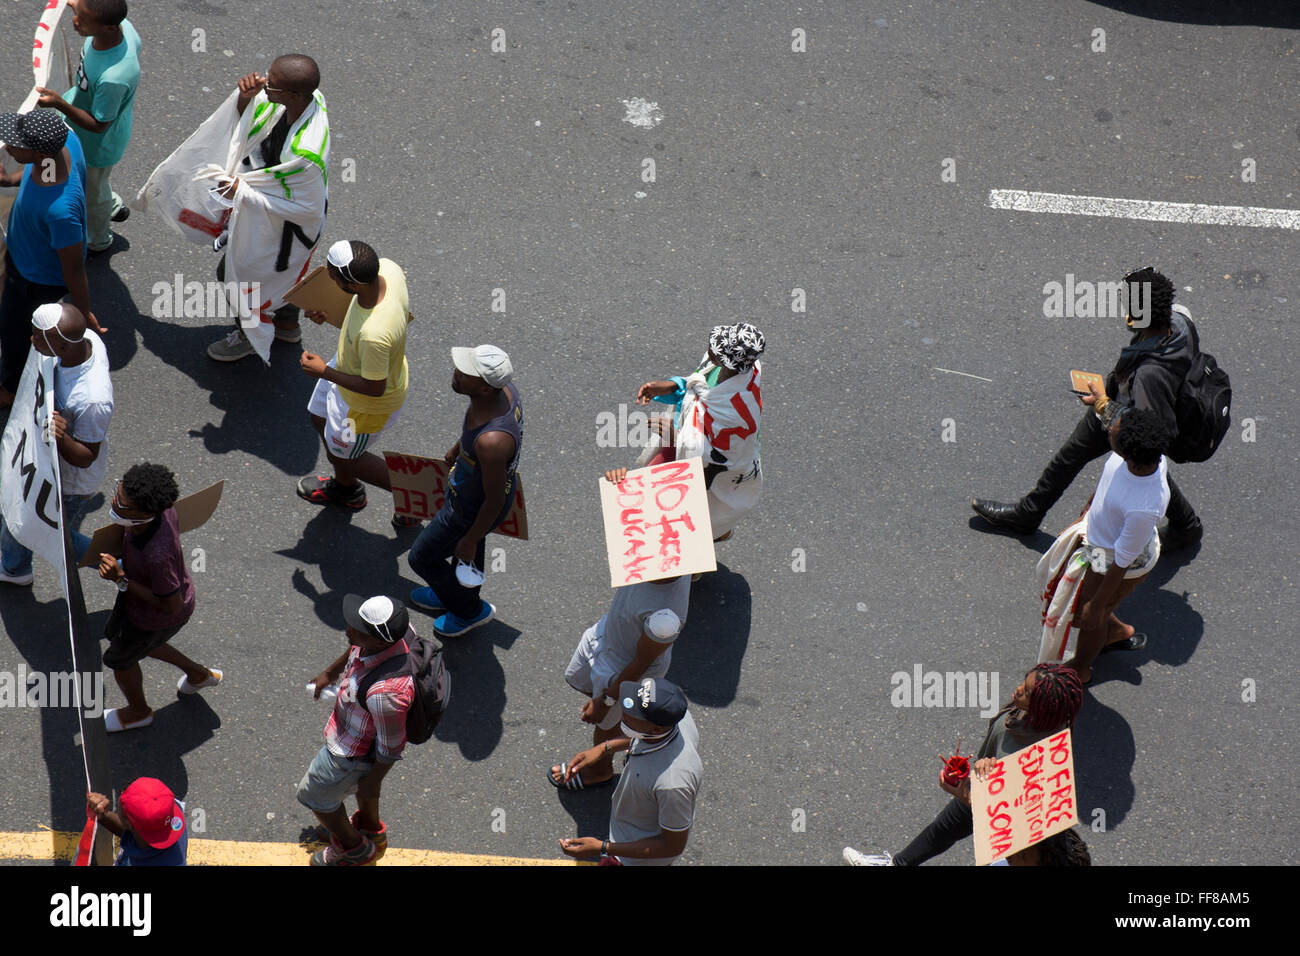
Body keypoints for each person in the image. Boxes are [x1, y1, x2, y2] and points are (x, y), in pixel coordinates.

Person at [972, 267, 1203, 552]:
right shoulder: (1180, 321)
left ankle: (1028, 515)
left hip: (1120, 413)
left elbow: (1147, 432)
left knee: (1122, 460)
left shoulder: (1149, 377)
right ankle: (1187, 525)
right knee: (1107, 463)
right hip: (1121, 399)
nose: (1125, 313)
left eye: (1129, 307)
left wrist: (1103, 405)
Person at [841, 662, 1083, 866]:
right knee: (941, 831)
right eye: (1024, 682)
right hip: (986, 788)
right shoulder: (1029, 716)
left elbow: (1016, 824)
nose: (1018, 689)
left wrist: (969, 797)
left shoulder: (1040, 757)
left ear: (1043, 708)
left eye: (1027, 692)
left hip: (1001, 817)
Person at [550, 510, 689, 789]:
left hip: (623, 672)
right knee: (582, 685)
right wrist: (624, 480)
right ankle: (618, 727)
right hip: (606, 637)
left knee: (605, 727)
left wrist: (605, 702)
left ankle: (599, 769)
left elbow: (637, 665)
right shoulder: (666, 554)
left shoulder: (664, 620)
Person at [205, 54, 328, 362]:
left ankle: (250, 335)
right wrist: (246, 99)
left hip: (284, 230)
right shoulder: (306, 100)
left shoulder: (307, 153)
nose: (263, 85)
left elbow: (307, 210)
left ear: (294, 95)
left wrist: (242, 192)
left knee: (233, 274)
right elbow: (253, 127)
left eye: (271, 85)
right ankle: (287, 325)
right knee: (284, 278)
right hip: (271, 217)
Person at [1040, 408, 1172, 685]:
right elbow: (1107, 484)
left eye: (1115, 430)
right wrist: (1086, 514)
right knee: (1086, 607)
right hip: (1099, 544)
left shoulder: (1143, 507)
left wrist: (1098, 604)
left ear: (1129, 453)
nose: (1111, 427)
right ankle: (1117, 632)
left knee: (1087, 614)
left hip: (1112, 561)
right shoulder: (1140, 458)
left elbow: (1124, 558)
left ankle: (1081, 669)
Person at [406, 345, 522, 637]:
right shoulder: (501, 392)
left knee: (421, 558)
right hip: (470, 493)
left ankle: (468, 610)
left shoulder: (492, 443)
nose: (456, 374)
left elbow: (493, 500)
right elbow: (474, 430)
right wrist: (459, 448)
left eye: (465, 374)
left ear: (484, 388)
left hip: (470, 509)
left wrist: (471, 537)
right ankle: (453, 593)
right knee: (462, 556)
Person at [97, 463, 221, 732]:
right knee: (147, 645)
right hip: (146, 608)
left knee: (120, 659)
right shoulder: (160, 510)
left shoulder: (157, 555)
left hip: (154, 615)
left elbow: (170, 605)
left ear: (144, 513)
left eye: (122, 504)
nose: (114, 501)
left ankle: (138, 712)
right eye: (118, 491)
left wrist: (121, 579)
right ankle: (199, 675)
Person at [296, 240, 412, 516]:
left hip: (362, 406)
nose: (329, 276)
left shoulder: (374, 336)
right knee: (319, 416)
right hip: (349, 369)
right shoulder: (388, 269)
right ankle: (346, 488)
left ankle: (416, 498)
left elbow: (374, 387)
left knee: (348, 456)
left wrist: (324, 372)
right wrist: (330, 313)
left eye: (333, 274)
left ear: (354, 284)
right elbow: (361, 314)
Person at [300, 594, 417, 866]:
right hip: (351, 728)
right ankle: (371, 833)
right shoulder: (397, 633)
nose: (347, 628)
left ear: (377, 640)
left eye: (356, 628)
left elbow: (391, 747)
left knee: (314, 797)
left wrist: (373, 781)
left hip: (349, 751)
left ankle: (355, 849)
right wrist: (331, 672)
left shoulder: (385, 693)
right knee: (361, 793)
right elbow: (356, 647)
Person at [0, 304, 111, 585]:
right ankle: (16, 566)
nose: (32, 340)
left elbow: (86, 456)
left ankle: (123, 566)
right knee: (26, 520)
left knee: (44, 530)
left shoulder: (92, 399)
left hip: (68, 482)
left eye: (38, 336)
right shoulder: (85, 341)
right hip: (44, 464)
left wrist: (59, 436)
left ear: (61, 345)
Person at [0, 108, 99, 408]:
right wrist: (9, 181)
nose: (7, 147)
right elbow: (35, 172)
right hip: (20, 259)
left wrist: (83, 313)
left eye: (15, 144)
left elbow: (73, 269)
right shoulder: (64, 143)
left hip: (35, 281)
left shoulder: (60, 212)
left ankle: (11, 387)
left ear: (35, 149)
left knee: (15, 335)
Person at [635, 322, 764, 542]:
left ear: (728, 361)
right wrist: (670, 386)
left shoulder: (734, 412)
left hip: (707, 469)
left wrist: (676, 438)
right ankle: (711, 536)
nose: (710, 347)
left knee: (686, 514)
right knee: (663, 498)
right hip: (685, 443)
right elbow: (697, 384)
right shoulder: (732, 369)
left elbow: (716, 455)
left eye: (716, 348)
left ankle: (695, 559)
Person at [558, 677, 702, 866]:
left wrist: (603, 848)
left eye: (633, 713)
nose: (624, 711)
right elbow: (643, 736)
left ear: (656, 727)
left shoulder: (673, 785)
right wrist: (605, 748)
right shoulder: (677, 721)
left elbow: (671, 846)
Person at [35, 0, 141, 255]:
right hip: (82, 126)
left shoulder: (114, 77)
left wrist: (60, 104)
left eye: (82, 19)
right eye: (76, 13)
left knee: (93, 193)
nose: (75, 21)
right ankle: (111, 204)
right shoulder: (120, 27)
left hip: (98, 145)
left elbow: (98, 125)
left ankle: (98, 239)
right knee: (93, 184)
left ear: (107, 28)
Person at [87, 777, 188, 866]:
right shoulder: (170, 809)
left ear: (127, 822)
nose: (122, 792)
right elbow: (137, 831)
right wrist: (105, 815)